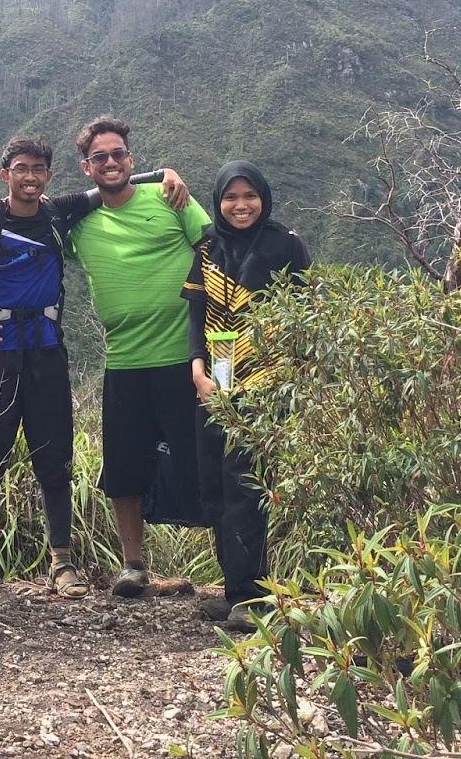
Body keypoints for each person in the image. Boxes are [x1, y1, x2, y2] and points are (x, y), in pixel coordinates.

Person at [0, 137, 187, 606]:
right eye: (21, 168)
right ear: (5, 175)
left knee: (54, 458)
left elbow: (115, 182)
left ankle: (62, 562)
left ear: (49, 175)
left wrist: (166, 174)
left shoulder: (59, 212)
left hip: (47, 351)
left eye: (39, 169)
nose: (30, 177)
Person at [65, 116, 212, 597]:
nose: (111, 162)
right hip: (125, 360)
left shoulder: (168, 197)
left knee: (206, 460)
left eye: (118, 154)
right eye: (100, 157)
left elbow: (214, 247)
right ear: (87, 167)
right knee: (124, 467)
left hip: (187, 357)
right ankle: (133, 566)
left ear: (131, 158)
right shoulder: (79, 223)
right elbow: (32, 219)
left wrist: (166, 174)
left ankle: (233, 567)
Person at [182, 161, 312, 632]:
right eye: (231, 197)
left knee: (245, 486)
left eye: (249, 196)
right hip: (214, 385)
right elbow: (196, 315)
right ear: (218, 201)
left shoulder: (286, 245)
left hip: (265, 385)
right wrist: (196, 369)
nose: (241, 206)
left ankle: (252, 597)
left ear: (264, 198)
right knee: (215, 485)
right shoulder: (208, 247)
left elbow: (306, 315)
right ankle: (234, 589)